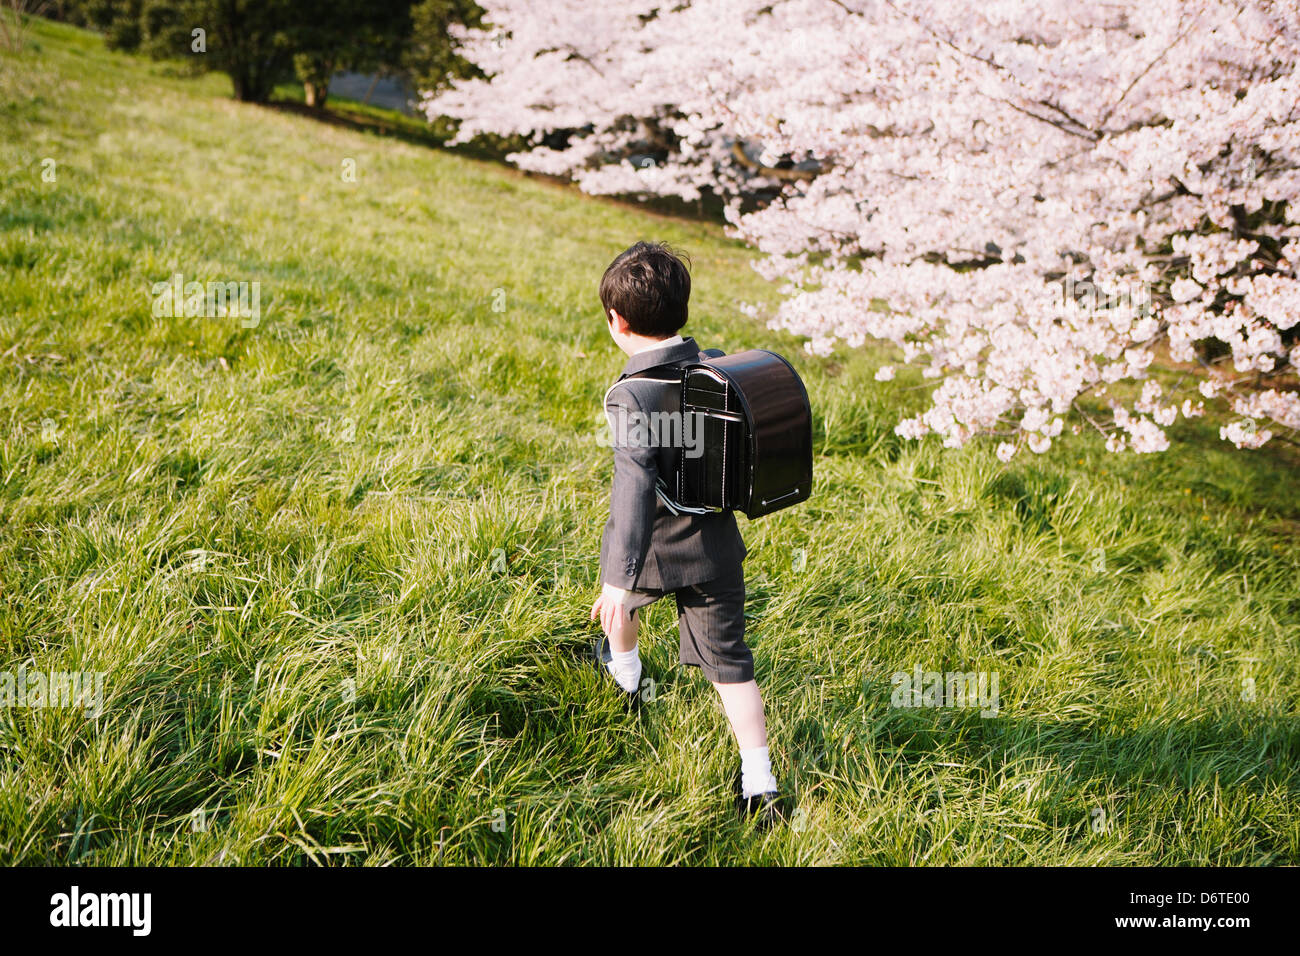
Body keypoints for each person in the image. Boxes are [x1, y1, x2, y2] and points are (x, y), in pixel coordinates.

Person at [588, 240, 783, 826]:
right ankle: (760, 780)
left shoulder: (630, 393)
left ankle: (626, 677)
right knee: (731, 664)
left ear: (617, 322)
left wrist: (620, 579)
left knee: (616, 607)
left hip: (647, 544)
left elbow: (633, 487)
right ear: (683, 312)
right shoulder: (718, 370)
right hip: (715, 547)